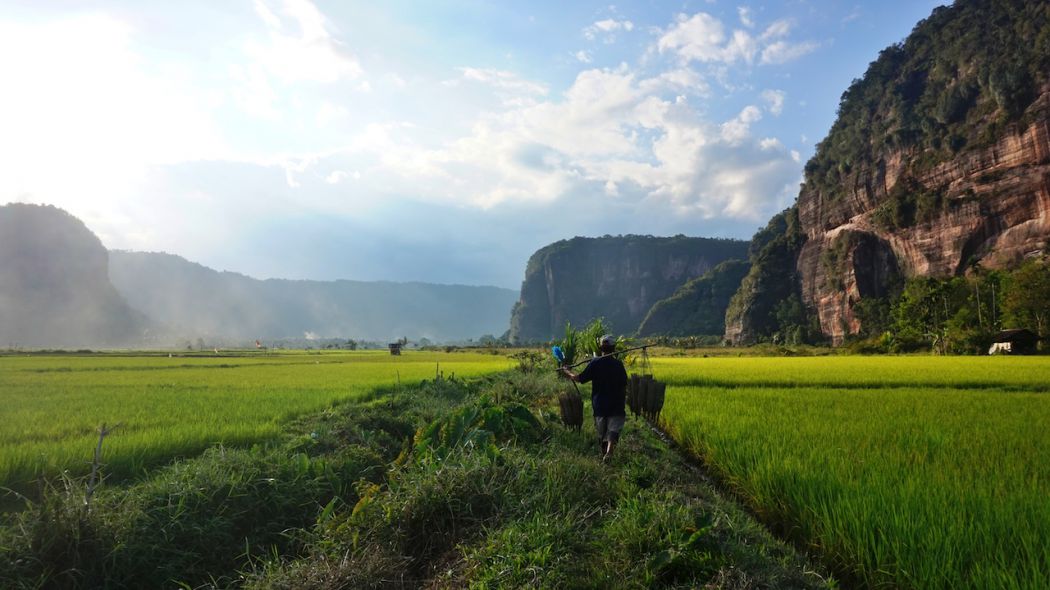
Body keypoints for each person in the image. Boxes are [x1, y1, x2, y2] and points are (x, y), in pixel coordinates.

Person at [561, 334, 628, 462]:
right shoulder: (618, 365)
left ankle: (605, 455)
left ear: (600, 348)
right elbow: (624, 384)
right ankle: (609, 452)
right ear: (614, 348)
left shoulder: (595, 363)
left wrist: (567, 371)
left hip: (600, 405)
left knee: (602, 433)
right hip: (616, 404)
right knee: (613, 430)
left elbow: (579, 378)